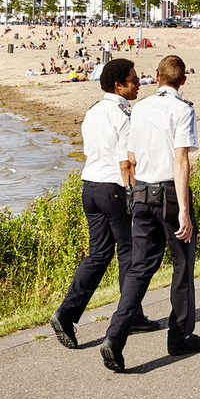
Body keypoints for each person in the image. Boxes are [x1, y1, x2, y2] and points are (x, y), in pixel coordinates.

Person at [100, 55, 200, 372]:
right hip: (170, 194)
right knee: (182, 264)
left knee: (139, 269)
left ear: (157, 76)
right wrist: (184, 212)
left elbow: (131, 158)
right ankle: (180, 337)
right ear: (183, 80)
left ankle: (114, 337)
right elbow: (180, 161)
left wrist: (134, 194)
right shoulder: (183, 110)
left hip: (142, 192)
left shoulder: (141, 108)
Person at [49, 59, 160, 349]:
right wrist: (133, 194)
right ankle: (131, 315)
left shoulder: (93, 112)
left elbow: (89, 151)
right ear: (118, 85)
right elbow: (127, 162)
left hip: (90, 186)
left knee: (99, 254)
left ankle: (67, 312)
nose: (139, 84)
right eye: (134, 80)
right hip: (113, 187)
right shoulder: (123, 116)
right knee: (130, 253)